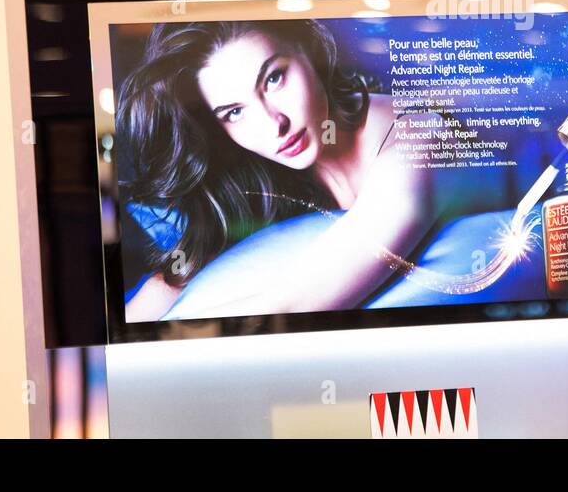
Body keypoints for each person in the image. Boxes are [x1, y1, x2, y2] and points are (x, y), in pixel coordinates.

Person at [116, 19, 439, 319]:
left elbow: (289, 306)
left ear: (311, 52)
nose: (273, 125)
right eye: (234, 112)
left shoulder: (417, 135)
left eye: (274, 79)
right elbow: (172, 285)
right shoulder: (256, 175)